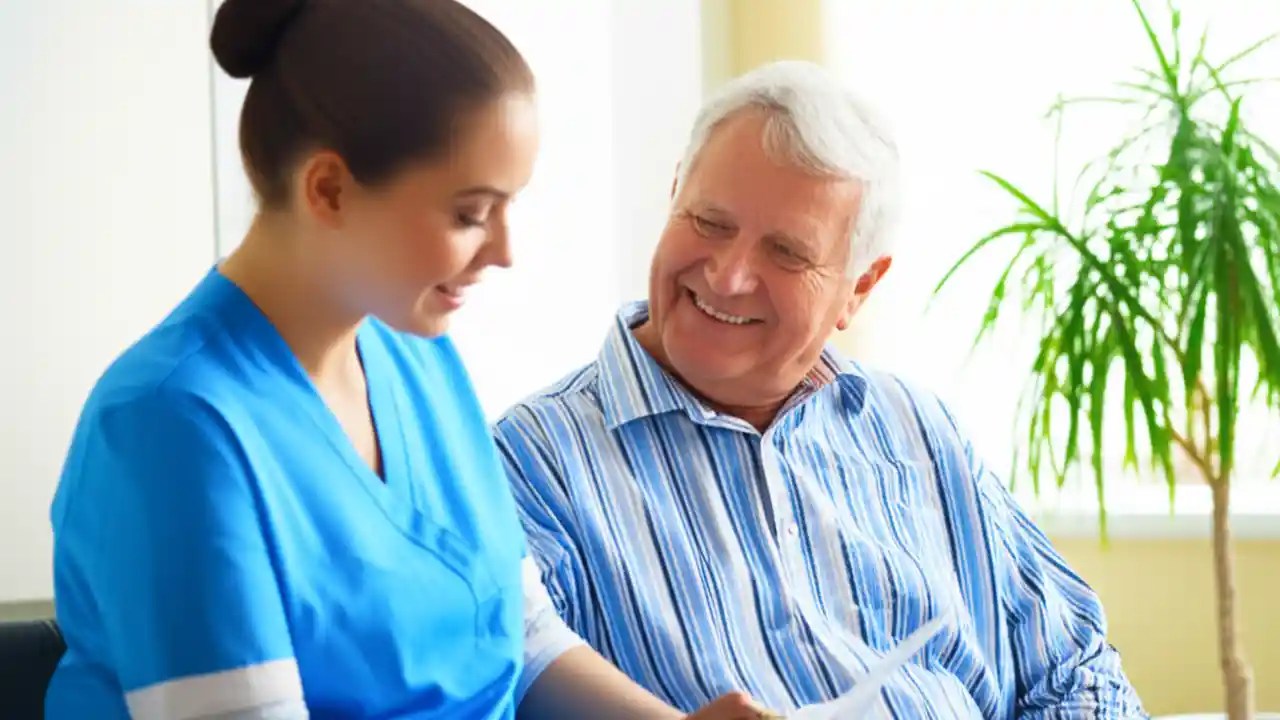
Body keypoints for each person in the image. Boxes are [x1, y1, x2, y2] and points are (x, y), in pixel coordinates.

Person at [44, 1, 762, 718]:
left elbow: (520, 631)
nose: (504, 250)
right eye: (470, 214)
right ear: (328, 190)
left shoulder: (418, 359)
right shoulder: (171, 425)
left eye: (508, 207)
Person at [493, 60, 1148, 719]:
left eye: (786, 252)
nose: (728, 276)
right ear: (673, 198)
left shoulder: (919, 430)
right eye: (711, 222)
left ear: (859, 288)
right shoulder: (527, 461)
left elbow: (1076, 671)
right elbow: (493, 694)